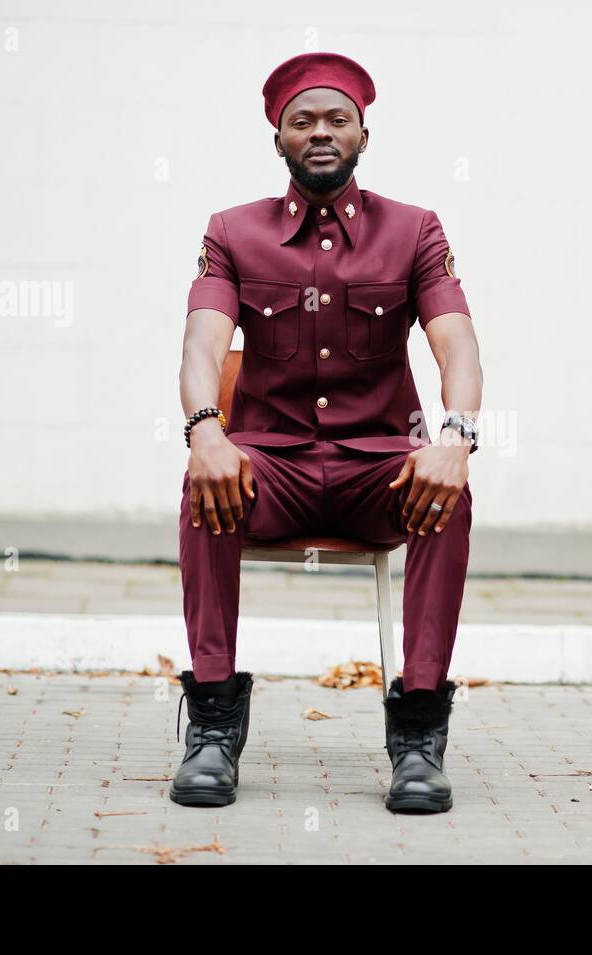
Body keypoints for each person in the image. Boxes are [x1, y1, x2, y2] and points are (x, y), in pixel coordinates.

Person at [171, 51, 483, 814]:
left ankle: (419, 737)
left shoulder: (414, 230)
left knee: (448, 494)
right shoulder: (231, 232)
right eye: (301, 121)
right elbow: (201, 345)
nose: (319, 132)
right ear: (277, 138)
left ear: (363, 137)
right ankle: (212, 726)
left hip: (379, 472)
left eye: (336, 120)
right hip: (268, 471)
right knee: (203, 486)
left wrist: (456, 438)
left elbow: (459, 344)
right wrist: (206, 432)